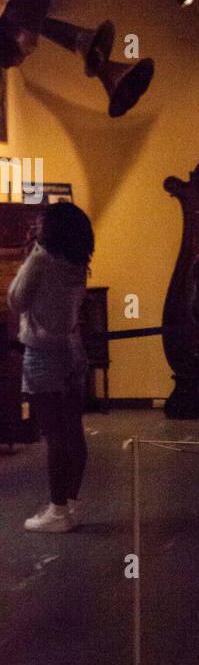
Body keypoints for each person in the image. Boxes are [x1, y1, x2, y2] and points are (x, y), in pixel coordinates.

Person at [7, 202, 93, 531]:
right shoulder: (77, 262)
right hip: (72, 352)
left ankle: (57, 513)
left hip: (43, 355)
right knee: (73, 432)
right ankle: (69, 504)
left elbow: (16, 298)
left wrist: (32, 252)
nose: (35, 227)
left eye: (40, 223)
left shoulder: (41, 258)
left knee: (54, 436)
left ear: (51, 229)